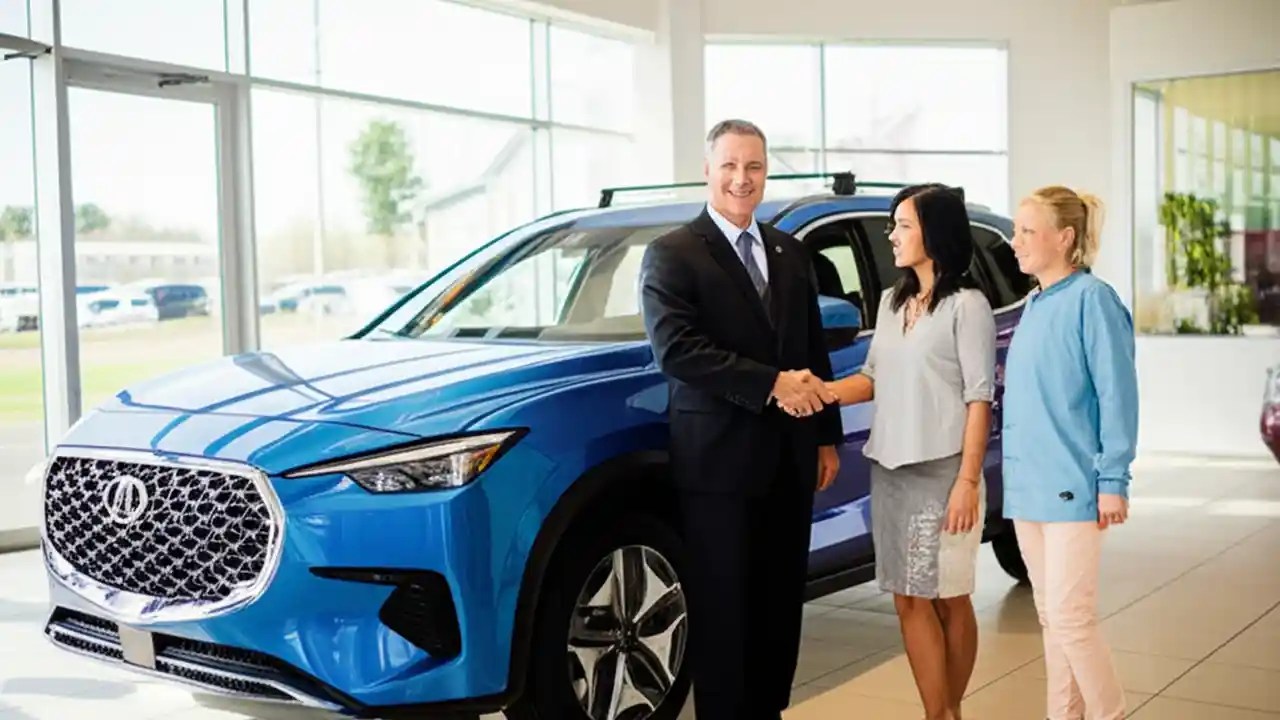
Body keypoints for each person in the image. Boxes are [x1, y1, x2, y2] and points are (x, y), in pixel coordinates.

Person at [639, 118, 843, 720]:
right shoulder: (672, 253)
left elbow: (811, 346)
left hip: (789, 459)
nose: (741, 178)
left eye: (753, 166)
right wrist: (771, 383)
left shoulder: (790, 251)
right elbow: (677, 351)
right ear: (707, 170)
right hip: (718, 467)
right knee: (724, 613)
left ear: (766, 171)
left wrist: (825, 438)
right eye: (729, 165)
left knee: (779, 608)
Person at [822, 184, 996, 720]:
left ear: (934, 233)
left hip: (944, 473)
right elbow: (872, 377)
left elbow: (979, 398)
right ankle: (938, 713)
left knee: (949, 595)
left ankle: (946, 712)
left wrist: (967, 481)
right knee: (907, 597)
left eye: (902, 225)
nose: (892, 236)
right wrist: (820, 392)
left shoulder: (968, 306)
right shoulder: (891, 302)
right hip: (892, 471)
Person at [1002, 186, 1137, 720]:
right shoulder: (1034, 304)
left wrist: (1113, 480)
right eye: (1016, 231)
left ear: (1064, 238)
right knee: (1050, 618)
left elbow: (1117, 395)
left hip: (1072, 486)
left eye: (1027, 232)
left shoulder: (1093, 300)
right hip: (1027, 490)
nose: (1015, 242)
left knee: (1071, 619)